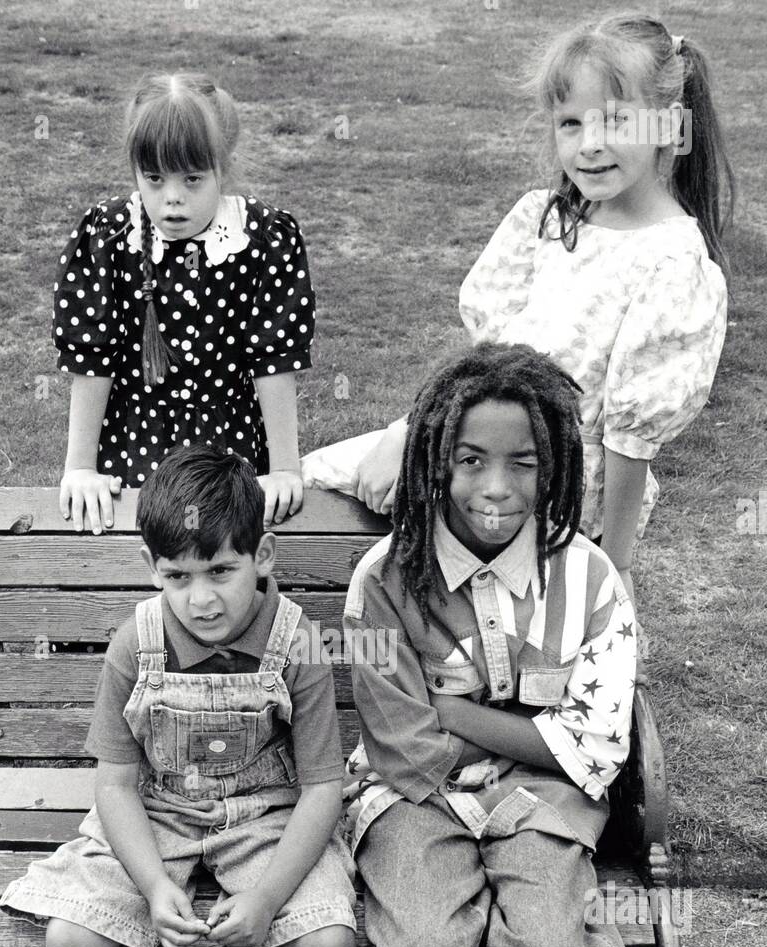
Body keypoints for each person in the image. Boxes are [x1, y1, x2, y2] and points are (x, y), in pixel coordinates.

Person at [0, 446, 398, 947]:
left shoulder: (298, 648)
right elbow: (114, 784)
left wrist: (269, 895)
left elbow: (322, 788)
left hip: (269, 816)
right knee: (72, 939)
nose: (201, 597)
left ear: (263, 556)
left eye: (218, 570)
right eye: (176, 576)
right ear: (152, 570)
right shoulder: (133, 646)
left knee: (325, 945)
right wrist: (152, 886)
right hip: (157, 815)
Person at [306, 14, 733, 608]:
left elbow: (629, 438)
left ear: (668, 123)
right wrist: (406, 434)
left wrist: (616, 565)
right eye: (571, 123)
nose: (590, 143)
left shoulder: (671, 262)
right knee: (309, 484)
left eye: (614, 121)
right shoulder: (547, 220)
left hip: (552, 481)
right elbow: (483, 363)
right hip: (476, 438)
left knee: (504, 607)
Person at [343, 341, 636, 947]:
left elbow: (596, 747)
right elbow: (402, 743)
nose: (496, 488)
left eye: (524, 464)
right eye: (470, 460)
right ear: (436, 459)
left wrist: (459, 711)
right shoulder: (381, 582)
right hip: (414, 798)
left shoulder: (592, 582)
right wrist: (505, 762)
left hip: (550, 800)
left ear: (558, 471)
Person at [55, 71, 315, 535]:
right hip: (133, 446)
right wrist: (79, 467)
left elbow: (274, 358)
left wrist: (284, 467)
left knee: (221, 564)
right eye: (153, 178)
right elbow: (92, 356)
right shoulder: (108, 235)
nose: (172, 198)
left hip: (231, 454)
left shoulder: (266, 238)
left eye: (193, 179)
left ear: (224, 164)